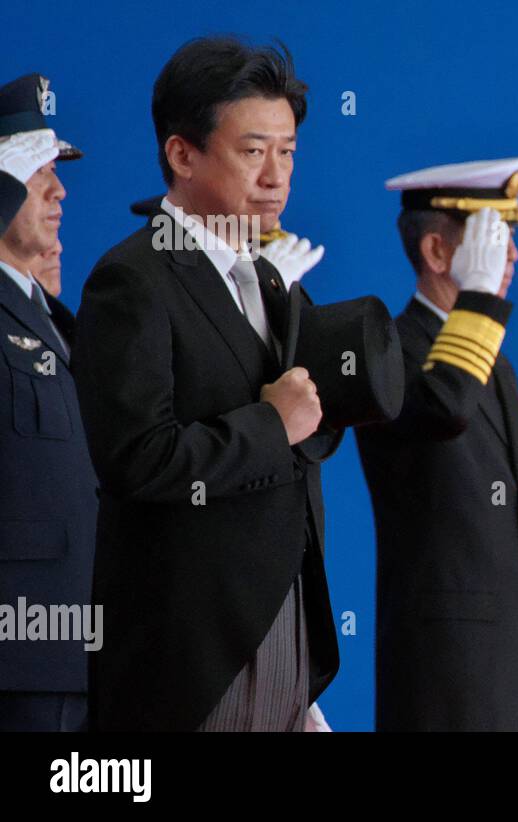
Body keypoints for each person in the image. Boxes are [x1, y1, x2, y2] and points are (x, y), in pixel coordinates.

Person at [75, 37, 338, 731]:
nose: (276, 175)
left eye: (288, 152)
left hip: (286, 628)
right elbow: (137, 458)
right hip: (188, 654)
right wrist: (270, 424)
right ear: (182, 154)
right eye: (253, 151)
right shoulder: (132, 279)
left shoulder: (273, 276)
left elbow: (308, 430)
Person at [356, 157, 518, 731]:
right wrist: (479, 306)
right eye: (496, 238)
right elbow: (442, 408)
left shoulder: (491, 362)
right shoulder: (389, 350)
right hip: (449, 680)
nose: (514, 256)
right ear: (438, 253)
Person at [0, 73, 97, 732]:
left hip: (80, 643)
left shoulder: (54, 320)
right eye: (38, 174)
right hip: (18, 649)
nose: (60, 191)